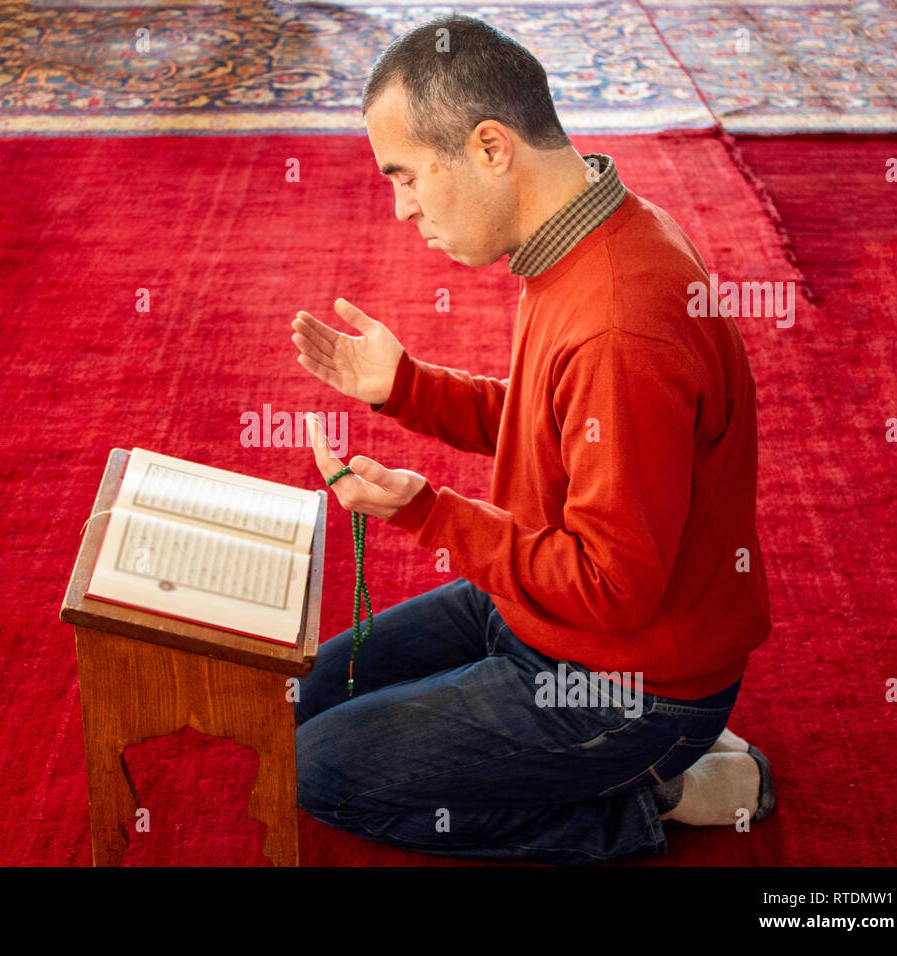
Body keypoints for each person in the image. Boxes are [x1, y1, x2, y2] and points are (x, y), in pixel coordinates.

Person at [288, 13, 776, 864]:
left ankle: (659, 795)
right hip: (544, 613)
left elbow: (613, 587)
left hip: (629, 683)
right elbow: (557, 423)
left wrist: (431, 515)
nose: (401, 210)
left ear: (488, 147)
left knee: (320, 770)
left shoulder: (621, 324)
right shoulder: (591, 230)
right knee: (303, 696)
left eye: (405, 176)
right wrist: (405, 388)